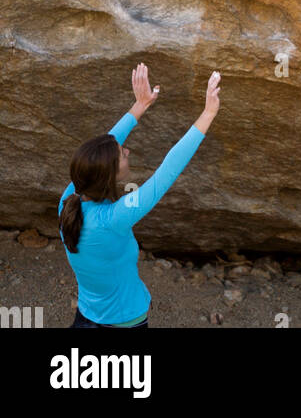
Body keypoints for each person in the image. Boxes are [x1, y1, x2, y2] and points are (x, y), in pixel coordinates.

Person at [58, 63, 220, 328]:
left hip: (86, 316)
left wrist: (140, 105)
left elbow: (103, 147)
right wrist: (208, 113)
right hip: (124, 322)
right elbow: (167, 171)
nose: (127, 152)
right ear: (108, 176)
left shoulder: (68, 199)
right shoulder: (114, 217)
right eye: (122, 154)